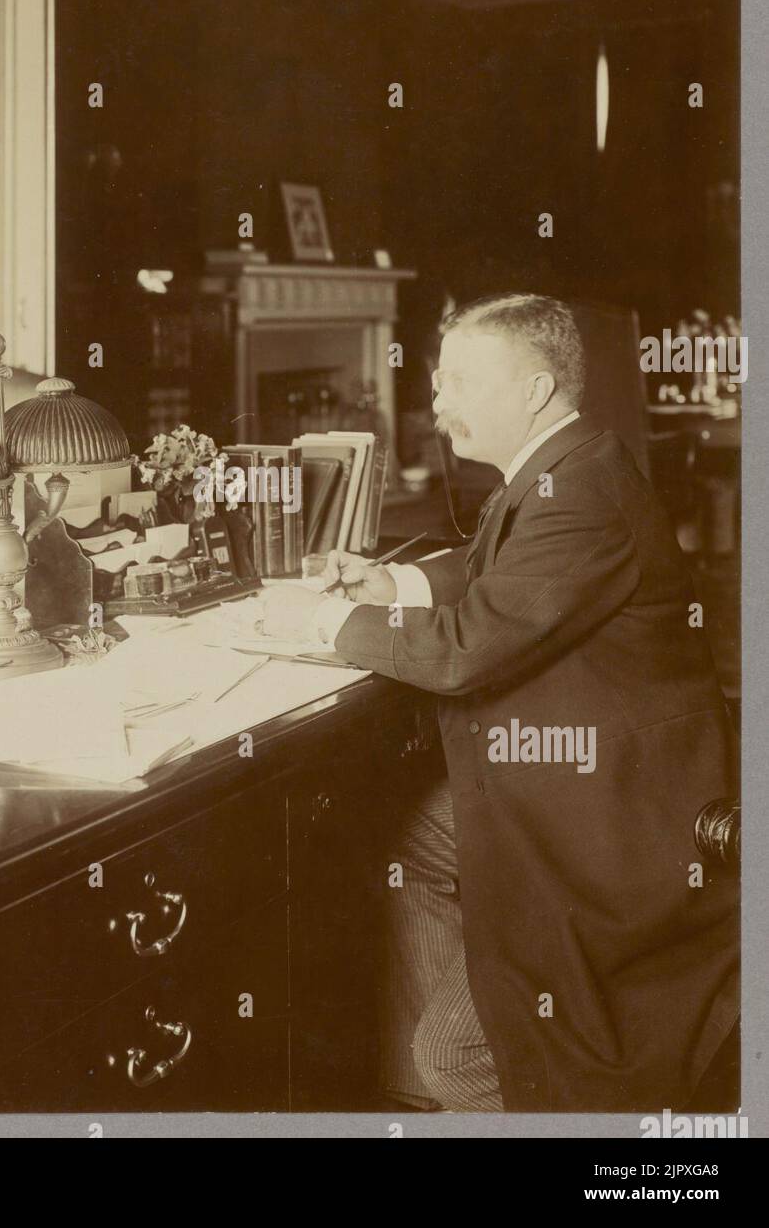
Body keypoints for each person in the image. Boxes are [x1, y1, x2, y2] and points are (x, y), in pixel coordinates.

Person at [260, 294, 739, 1113]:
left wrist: (321, 619)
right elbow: (498, 566)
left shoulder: (578, 492)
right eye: (437, 380)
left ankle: (481, 1088)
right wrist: (391, 583)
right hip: (583, 780)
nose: (435, 401)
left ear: (534, 390)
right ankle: (437, 1096)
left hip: (618, 825)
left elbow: (463, 650)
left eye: (458, 381)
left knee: (455, 1056)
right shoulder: (565, 466)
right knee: (405, 838)